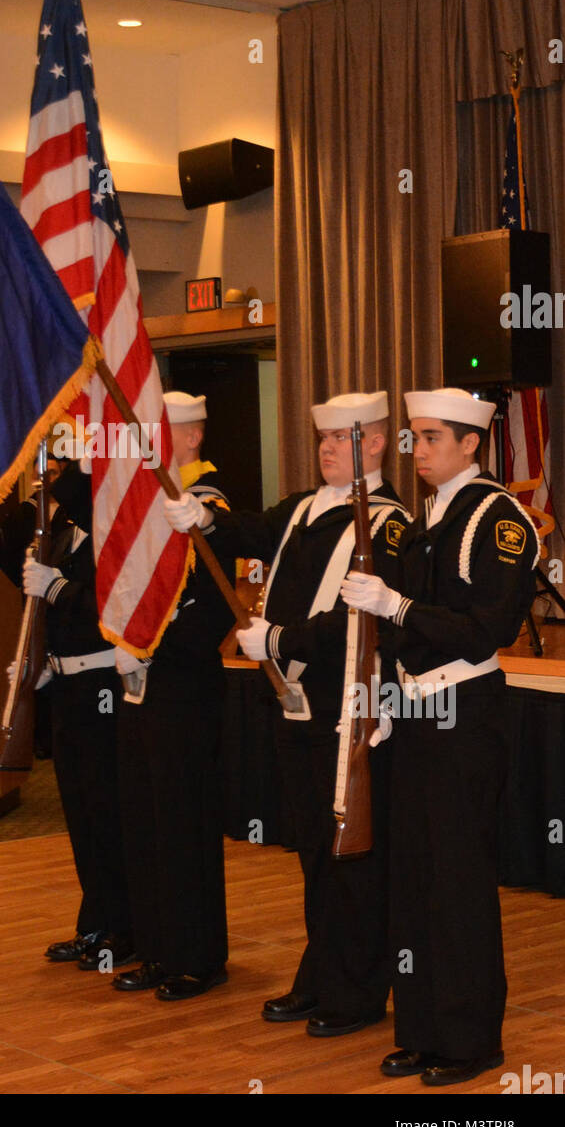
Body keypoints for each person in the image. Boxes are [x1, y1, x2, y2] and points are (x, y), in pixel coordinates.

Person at [168, 391, 410, 1035]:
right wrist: (206, 517)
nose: (328, 449)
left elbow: (359, 622)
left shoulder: (388, 523)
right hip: (294, 707)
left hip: (344, 706)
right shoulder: (305, 507)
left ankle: (357, 992)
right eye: (324, 440)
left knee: (350, 852)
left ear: (379, 444)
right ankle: (322, 972)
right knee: (312, 851)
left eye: (342, 439)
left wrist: (278, 641)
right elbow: (250, 528)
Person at [340, 387, 540, 1087]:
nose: (416, 451)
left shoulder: (499, 520)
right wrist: (387, 692)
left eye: (430, 439)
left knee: (456, 883)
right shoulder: (427, 519)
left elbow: (485, 626)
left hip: (466, 711)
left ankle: (469, 1038)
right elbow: (407, 632)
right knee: (415, 879)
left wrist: (395, 604)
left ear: (470, 444)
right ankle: (422, 1028)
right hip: (419, 710)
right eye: (414, 438)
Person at [113, 390, 235, 1001]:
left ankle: (198, 956)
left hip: (184, 684)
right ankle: (159, 948)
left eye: (168, 433)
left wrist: (151, 644)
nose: (154, 444)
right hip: (143, 685)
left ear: (193, 439)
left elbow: (210, 605)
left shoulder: (206, 504)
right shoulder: (146, 501)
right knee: (147, 818)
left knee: (185, 823)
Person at [16, 452, 133, 971]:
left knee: (111, 812)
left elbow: (116, 602)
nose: (53, 483)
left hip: (103, 682)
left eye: (65, 473)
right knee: (81, 814)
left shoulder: (114, 527)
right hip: (66, 685)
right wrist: (41, 662)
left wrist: (58, 587)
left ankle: (124, 928)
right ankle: (95, 920)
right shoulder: (63, 526)